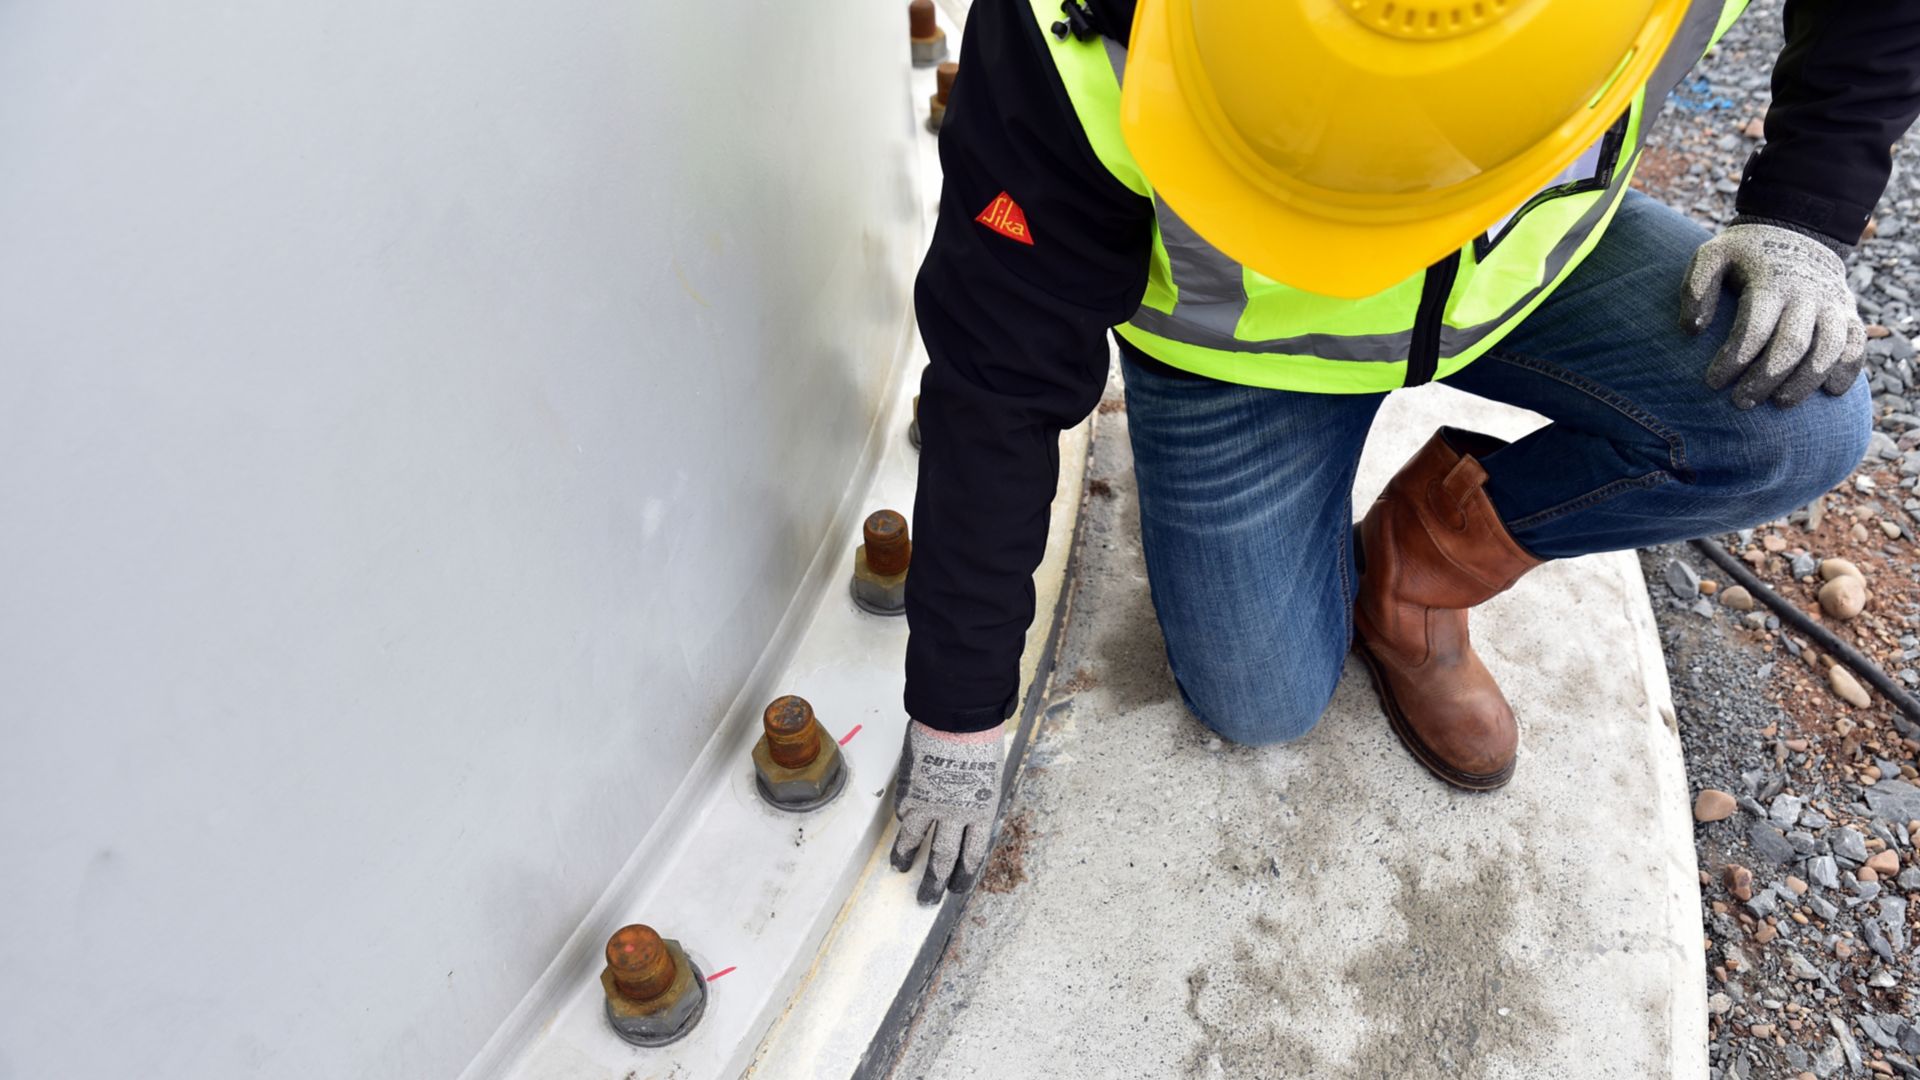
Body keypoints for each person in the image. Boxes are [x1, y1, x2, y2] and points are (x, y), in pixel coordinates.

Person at [886, 0, 1920, 904]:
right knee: (1261, 705)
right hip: (1242, 348)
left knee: (1790, 423)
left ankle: (1413, 573)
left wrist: (1805, 214)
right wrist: (961, 709)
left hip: (1522, 268)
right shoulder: (1073, 29)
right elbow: (997, 382)